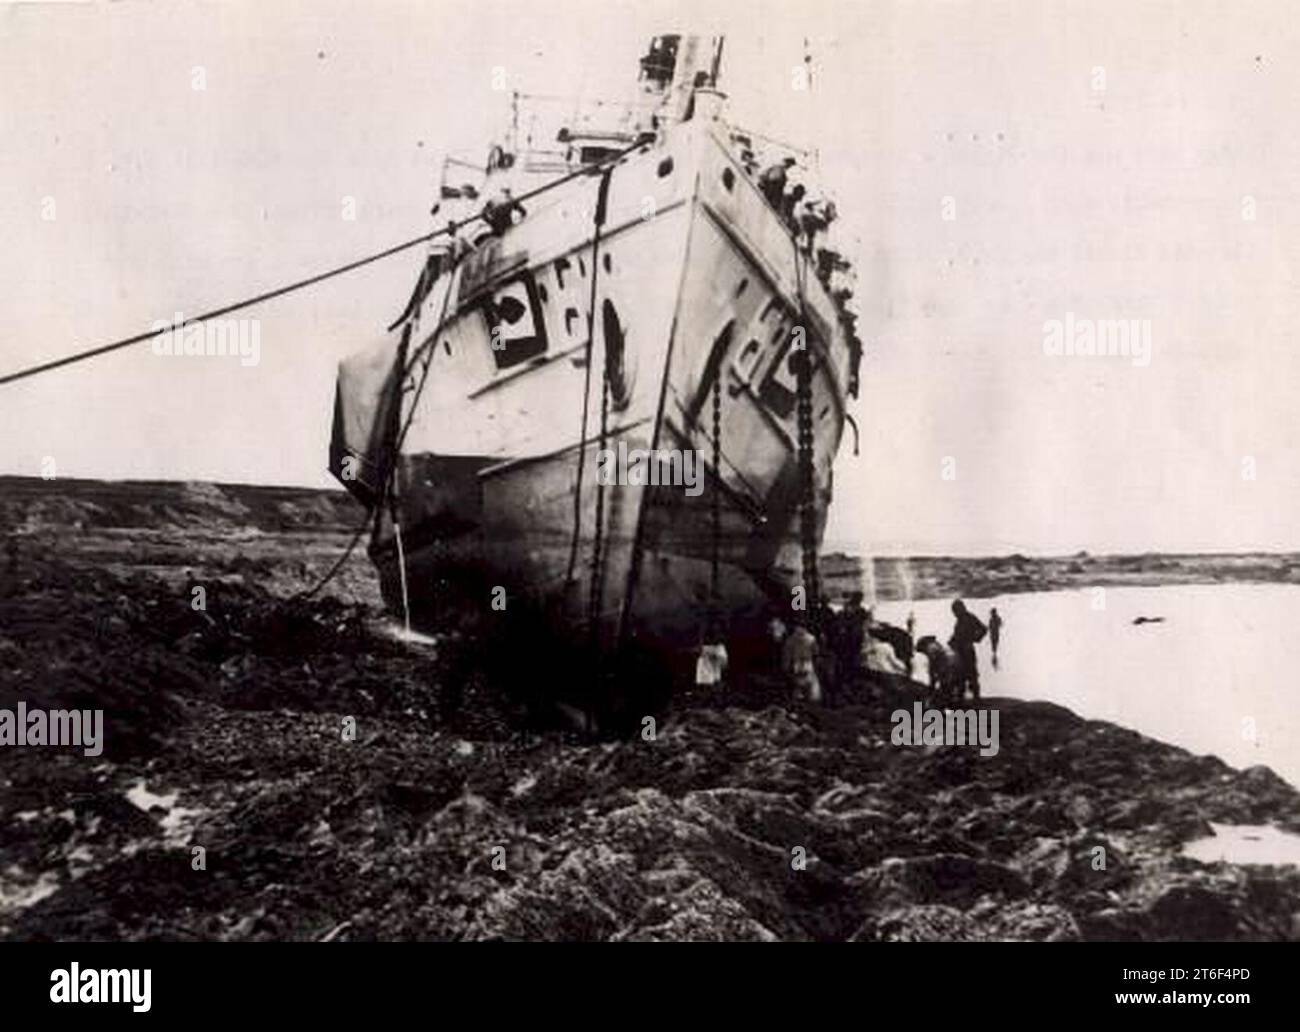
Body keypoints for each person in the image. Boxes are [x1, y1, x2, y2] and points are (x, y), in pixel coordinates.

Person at [948, 599, 987, 701]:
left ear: (960, 608)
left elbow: (983, 629)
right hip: (960, 651)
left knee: (971, 674)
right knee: (960, 675)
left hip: (967, 650)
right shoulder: (960, 620)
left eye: (955, 611)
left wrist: (975, 639)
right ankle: (962, 699)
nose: (954, 614)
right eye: (953, 611)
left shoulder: (970, 617)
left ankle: (976, 698)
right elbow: (957, 634)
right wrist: (951, 641)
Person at [782, 615, 822, 704]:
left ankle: (798, 703)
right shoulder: (811, 638)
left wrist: (786, 666)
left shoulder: (790, 640)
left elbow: (787, 656)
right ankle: (809, 702)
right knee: (809, 685)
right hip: (808, 665)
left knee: (797, 686)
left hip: (796, 665)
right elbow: (816, 652)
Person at [838, 591, 869, 678]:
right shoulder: (859, 609)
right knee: (855, 653)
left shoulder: (850, 607)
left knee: (851, 654)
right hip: (854, 634)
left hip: (850, 634)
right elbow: (864, 622)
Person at [695, 619, 729, 689]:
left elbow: (724, 665)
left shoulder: (720, 648)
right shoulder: (705, 649)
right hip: (707, 650)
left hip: (715, 651)